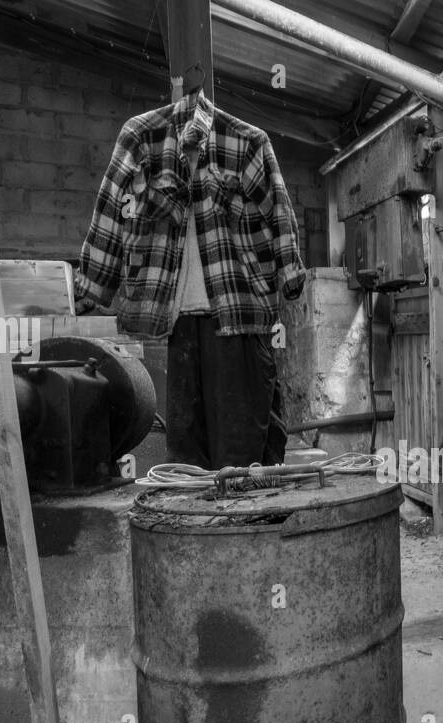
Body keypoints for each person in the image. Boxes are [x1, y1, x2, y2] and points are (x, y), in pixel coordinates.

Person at [74, 87, 306, 469]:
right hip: (175, 321)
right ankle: (199, 526)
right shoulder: (140, 137)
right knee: (187, 459)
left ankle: (246, 523)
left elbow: (279, 212)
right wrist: (94, 285)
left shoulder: (247, 142)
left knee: (246, 454)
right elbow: (111, 210)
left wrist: (290, 273)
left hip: (239, 319)